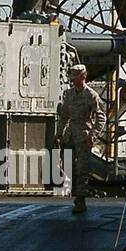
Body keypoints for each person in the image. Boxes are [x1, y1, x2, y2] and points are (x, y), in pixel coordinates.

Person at [54, 64, 105, 213]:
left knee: (82, 168)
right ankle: (72, 191)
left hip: (84, 136)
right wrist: (59, 133)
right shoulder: (69, 94)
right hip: (70, 135)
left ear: (83, 77)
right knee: (67, 165)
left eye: (76, 78)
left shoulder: (91, 95)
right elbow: (64, 116)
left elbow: (101, 117)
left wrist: (93, 135)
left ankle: (80, 199)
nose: (73, 81)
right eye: (72, 78)